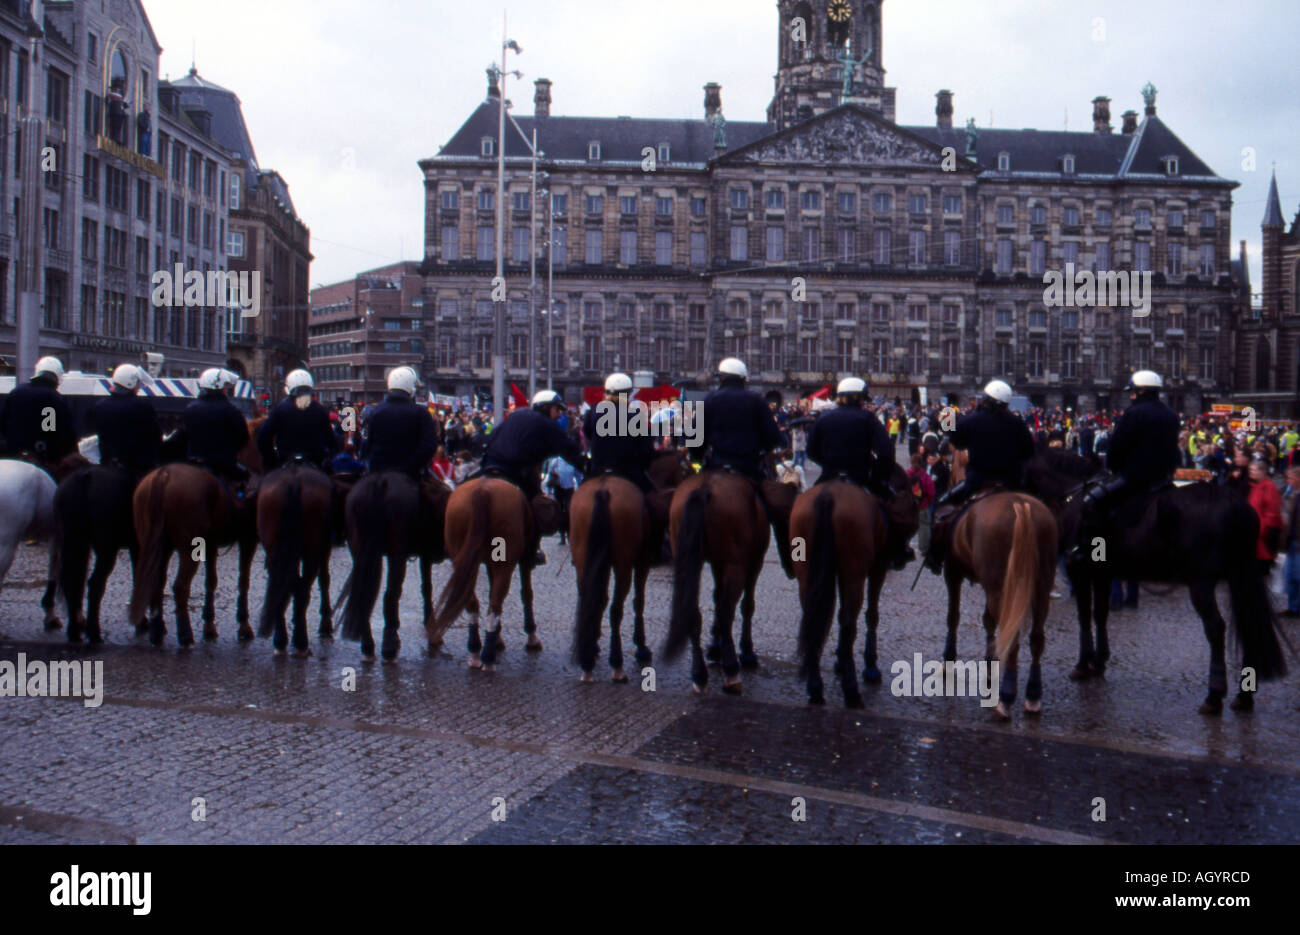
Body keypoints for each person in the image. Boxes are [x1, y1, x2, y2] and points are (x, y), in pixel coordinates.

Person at [923, 379, 1034, 573]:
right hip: (1011, 483)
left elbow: (954, 439)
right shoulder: (1017, 422)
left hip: (978, 481)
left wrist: (949, 415)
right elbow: (1029, 452)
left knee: (941, 508)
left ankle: (935, 557)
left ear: (986, 399)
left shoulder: (972, 420)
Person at [700, 358, 796, 574]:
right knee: (786, 513)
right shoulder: (755, 400)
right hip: (748, 469)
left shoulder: (708, 399)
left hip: (714, 467)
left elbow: (694, 439)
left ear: (721, 378)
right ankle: (794, 560)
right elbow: (773, 437)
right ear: (743, 379)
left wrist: (698, 459)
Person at [1072, 370, 1180, 559]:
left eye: (1133, 392)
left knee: (1094, 504)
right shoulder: (1171, 414)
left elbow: (1118, 446)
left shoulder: (1134, 413)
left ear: (1142, 391)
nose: (1130, 396)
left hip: (1135, 478)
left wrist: (1113, 467)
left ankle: (1098, 555)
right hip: (1163, 478)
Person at [805, 377, 912, 567]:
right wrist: (880, 476)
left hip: (829, 475)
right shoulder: (868, 418)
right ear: (860, 399)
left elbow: (811, 451)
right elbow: (886, 452)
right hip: (861, 476)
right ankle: (898, 551)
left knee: (801, 512)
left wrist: (828, 464)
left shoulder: (823, 418)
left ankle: (797, 557)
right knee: (894, 514)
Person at [360, 366, 439, 478]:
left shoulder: (375, 411)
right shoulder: (421, 413)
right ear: (411, 388)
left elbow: (368, 444)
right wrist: (412, 465)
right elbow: (430, 446)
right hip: (410, 473)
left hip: (377, 472)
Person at [583, 372, 656, 493]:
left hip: (598, 470)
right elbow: (646, 449)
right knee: (650, 499)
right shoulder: (636, 415)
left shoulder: (593, 411)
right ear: (627, 394)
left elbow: (588, 434)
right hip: (628, 472)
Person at [256, 369, 339, 471]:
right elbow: (332, 442)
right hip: (314, 463)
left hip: (285, 461)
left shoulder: (280, 409)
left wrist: (271, 459)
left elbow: (263, 437)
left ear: (289, 387)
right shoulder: (320, 410)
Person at [182, 368, 251, 491]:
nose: (226, 390)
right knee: (242, 483)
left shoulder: (190, 408)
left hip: (193, 462)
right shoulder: (231, 410)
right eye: (226, 387)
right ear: (220, 387)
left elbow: (185, 435)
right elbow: (243, 438)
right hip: (222, 464)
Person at [0, 356, 76, 464]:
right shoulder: (53, 397)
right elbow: (51, 431)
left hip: (13, 457)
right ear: (58, 378)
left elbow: (3, 423)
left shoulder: (16, 392)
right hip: (40, 459)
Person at [89, 364, 162, 476]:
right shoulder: (142, 406)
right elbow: (155, 437)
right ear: (131, 383)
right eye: (138, 383)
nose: (138, 387)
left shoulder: (99, 406)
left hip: (106, 465)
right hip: (135, 469)